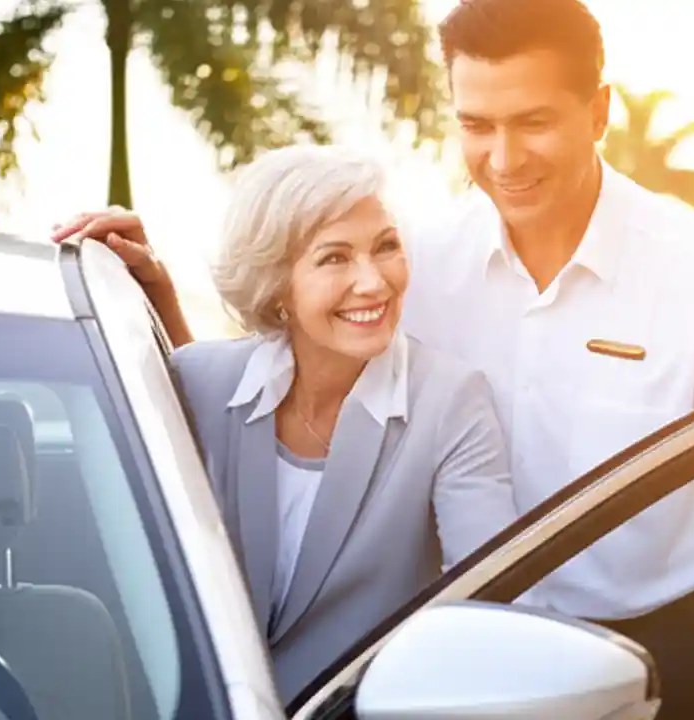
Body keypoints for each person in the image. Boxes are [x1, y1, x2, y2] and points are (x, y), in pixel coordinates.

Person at [57, 1, 694, 716]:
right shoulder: (415, 266)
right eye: (476, 124)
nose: (502, 157)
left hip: (658, 661)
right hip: (459, 667)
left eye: (532, 121)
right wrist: (160, 298)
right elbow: (271, 411)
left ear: (598, 112)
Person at [54, 145, 519, 705]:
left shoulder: (451, 402)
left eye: (386, 247)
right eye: (335, 258)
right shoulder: (201, 383)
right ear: (277, 286)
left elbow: (496, 609)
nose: (373, 282)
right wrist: (153, 291)